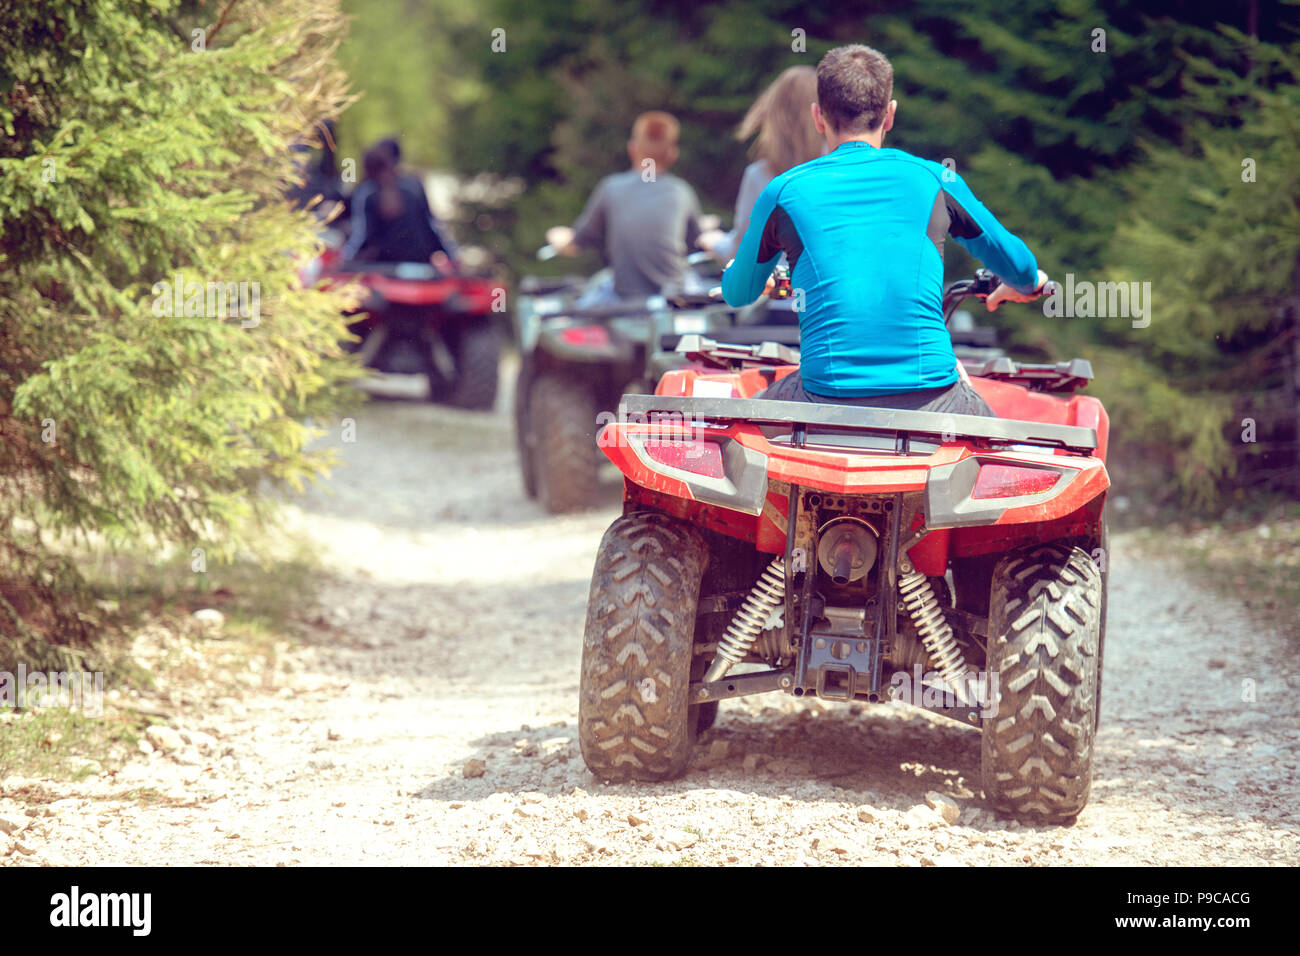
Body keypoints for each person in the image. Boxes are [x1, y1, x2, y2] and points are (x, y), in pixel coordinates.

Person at [721, 45, 1047, 417]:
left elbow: (738, 293)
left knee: (747, 420)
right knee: (999, 454)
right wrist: (1025, 284)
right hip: (936, 401)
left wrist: (739, 272)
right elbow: (1020, 266)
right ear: (890, 114)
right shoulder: (936, 179)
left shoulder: (782, 191)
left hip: (823, 399)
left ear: (818, 116)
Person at [545, 111, 703, 304]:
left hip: (626, 303)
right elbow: (698, 243)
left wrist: (558, 237)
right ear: (672, 154)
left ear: (633, 148)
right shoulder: (681, 192)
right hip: (673, 303)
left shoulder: (611, 189)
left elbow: (577, 243)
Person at [698, 66, 822, 262]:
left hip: (777, 290)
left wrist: (715, 243)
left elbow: (742, 252)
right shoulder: (842, 171)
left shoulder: (759, 175)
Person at [342, 139, 457, 267]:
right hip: (421, 263)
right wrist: (452, 255)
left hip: (386, 266)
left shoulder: (367, 192)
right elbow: (432, 226)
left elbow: (360, 235)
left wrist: (344, 258)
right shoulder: (414, 185)